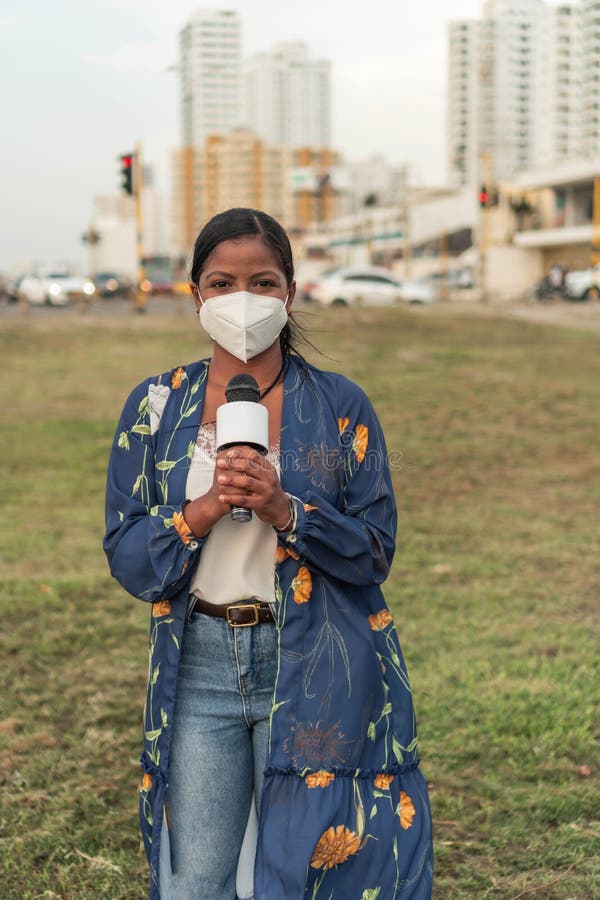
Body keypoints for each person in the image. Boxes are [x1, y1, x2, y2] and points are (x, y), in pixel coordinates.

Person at [104, 208, 433, 900]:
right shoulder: (157, 407)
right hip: (199, 666)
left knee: (309, 875)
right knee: (197, 878)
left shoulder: (341, 405)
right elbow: (131, 556)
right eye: (221, 282)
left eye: (262, 280)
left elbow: (375, 552)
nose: (241, 299)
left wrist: (287, 511)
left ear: (290, 292)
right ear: (196, 295)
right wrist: (206, 508)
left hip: (315, 662)